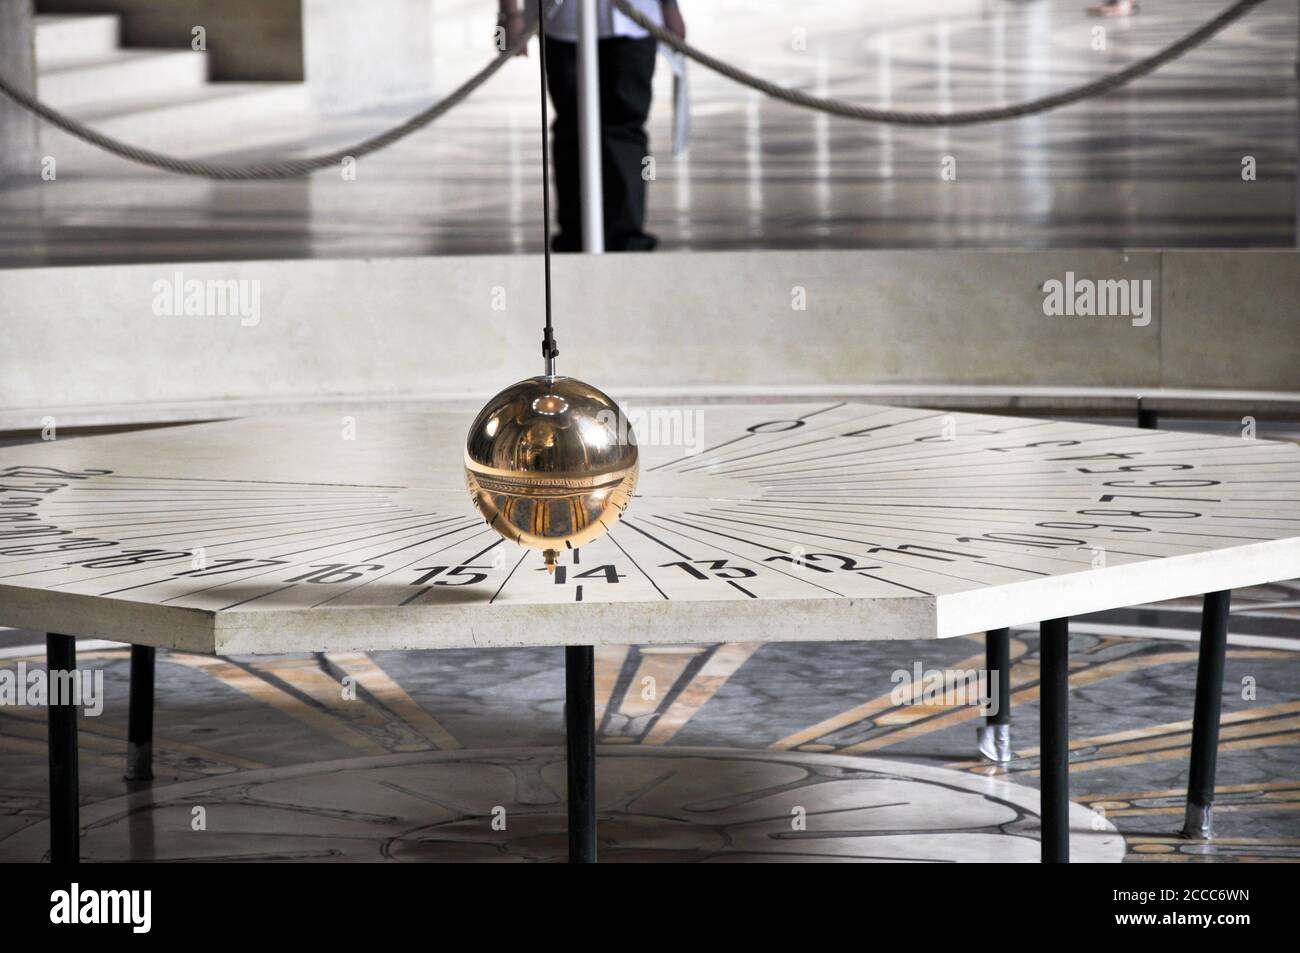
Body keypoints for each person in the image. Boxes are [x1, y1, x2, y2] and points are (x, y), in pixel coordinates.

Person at [498, 0, 687, 252]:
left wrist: (669, 7)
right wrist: (510, 13)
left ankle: (626, 237)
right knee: (572, 129)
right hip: (562, 20)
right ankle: (576, 236)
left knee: (626, 127)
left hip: (635, 18)